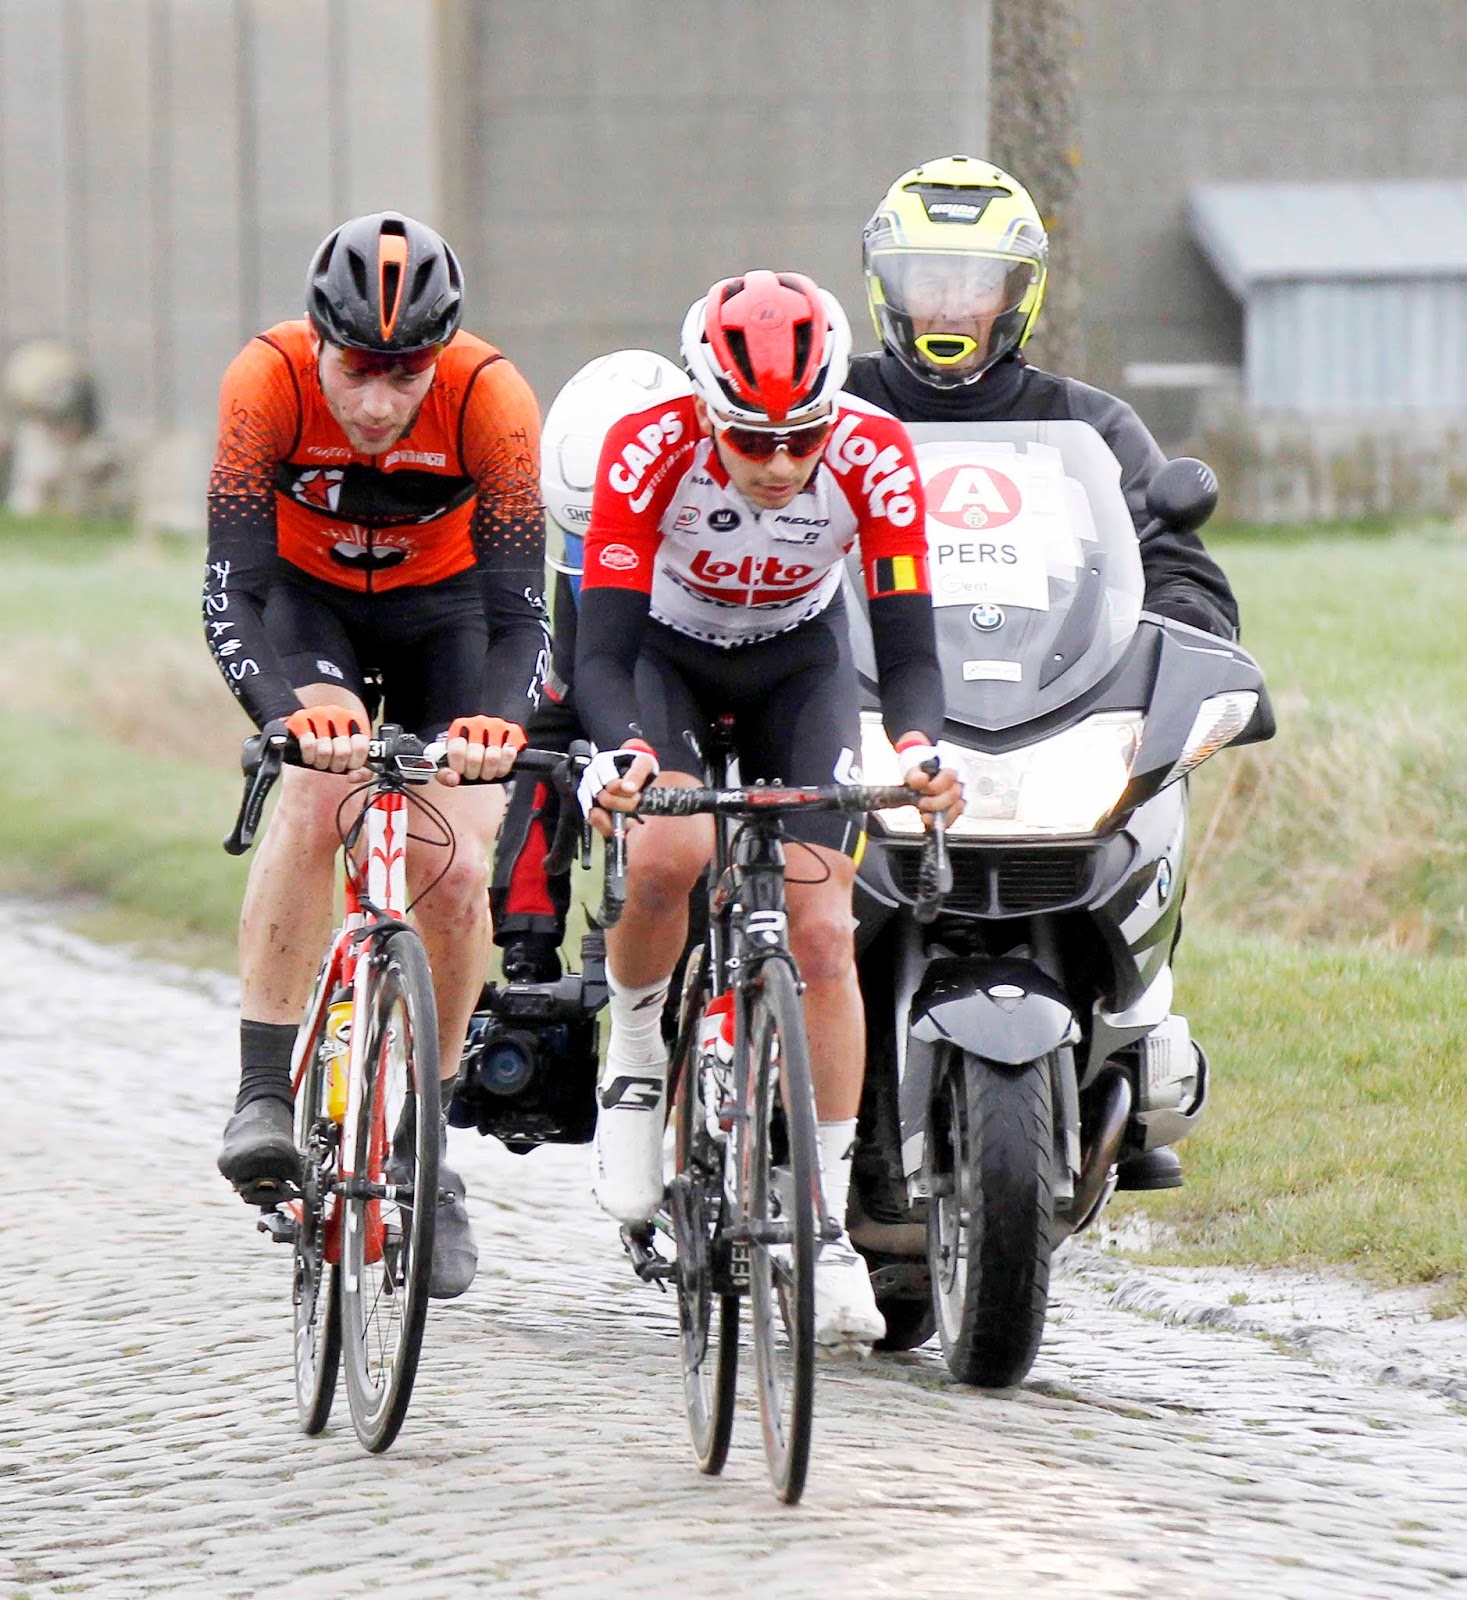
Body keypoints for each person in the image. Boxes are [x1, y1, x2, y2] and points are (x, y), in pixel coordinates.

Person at [573, 270, 963, 1351]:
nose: (784, 464)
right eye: (753, 440)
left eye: (804, 437)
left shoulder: (876, 452)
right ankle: (641, 1061)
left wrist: (922, 747)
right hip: (664, 660)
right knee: (666, 855)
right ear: (706, 408)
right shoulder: (646, 448)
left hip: (799, 665)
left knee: (823, 927)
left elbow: (910, 644)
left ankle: (829, 1226)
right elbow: (598, 649)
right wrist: (629, 750)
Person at [847, 156, 1240, 1185]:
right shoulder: (834, 409)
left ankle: (1133, 1039)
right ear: (887, 286)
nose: (951, 306)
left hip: (1042, 706)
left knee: (1143, 800)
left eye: (976, 285)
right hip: (871, 700)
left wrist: (1185, 635)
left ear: (1020, 296)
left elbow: (1174, 559)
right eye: (930, 280)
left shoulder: (1093, 427)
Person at [208, 211, 548, 1297]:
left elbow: (524, 610)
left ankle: (427, 1151)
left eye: (408, 372)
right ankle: (265, 1086)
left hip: (448, 613)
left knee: (451, 871)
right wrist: (281, 714)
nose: (379, 398)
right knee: (320, 797)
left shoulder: (492, 399)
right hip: (310, 608)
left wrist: (498, 722)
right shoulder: (264, 384)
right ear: (320, 343)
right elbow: (233, 590)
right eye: (359, 368)